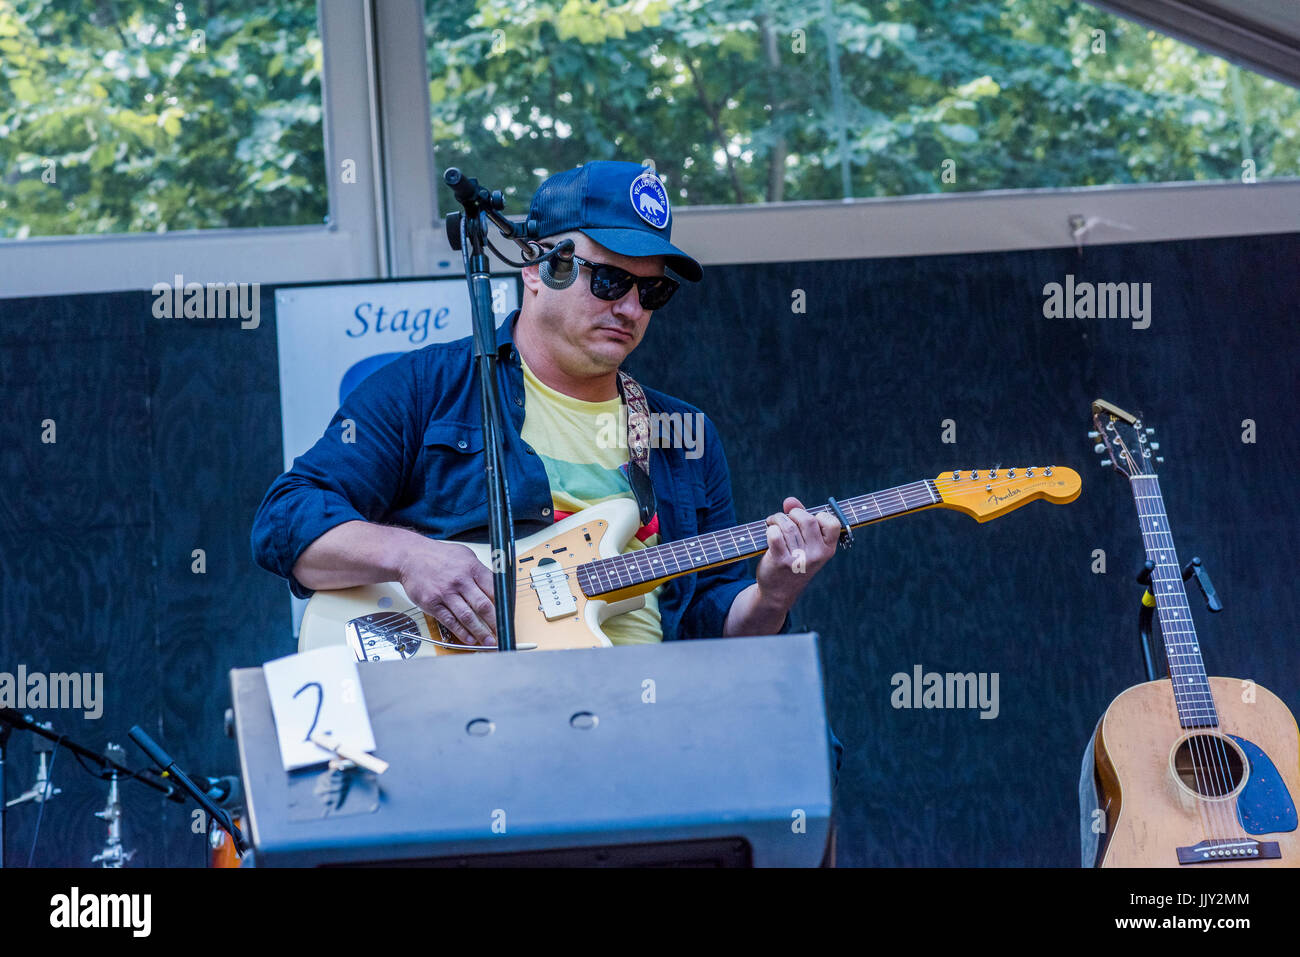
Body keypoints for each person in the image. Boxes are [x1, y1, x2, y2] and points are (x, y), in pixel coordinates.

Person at [250, 161, 844, 796]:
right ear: (536, 268)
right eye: (611, 278)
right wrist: (409, 556)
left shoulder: (682, 433)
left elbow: (710, 627)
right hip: (467, 718)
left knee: (805, 747)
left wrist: (774, 594)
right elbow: (285, 521)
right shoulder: (426, 388)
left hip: (646, 730)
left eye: (652, 291)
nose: (630, 306)